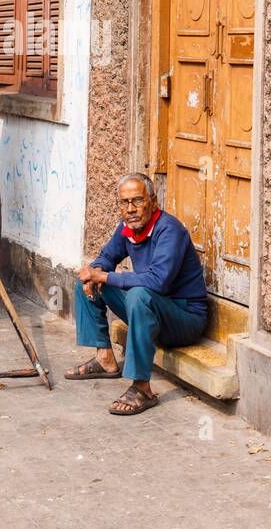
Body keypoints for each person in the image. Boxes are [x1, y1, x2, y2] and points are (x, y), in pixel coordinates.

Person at [65, 173, 208, 415]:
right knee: (88, 278)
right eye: (125, 202)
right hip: (152, 311)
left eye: (138, 201)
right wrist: (96, 272)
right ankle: (105, 359)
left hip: (184, 319)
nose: (130, 209)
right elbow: (107, 257)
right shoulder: (127, 228)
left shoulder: (169, 230)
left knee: (139, 294)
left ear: (153, 202)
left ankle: (142, 387)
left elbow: (159, 281)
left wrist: (106, 277)